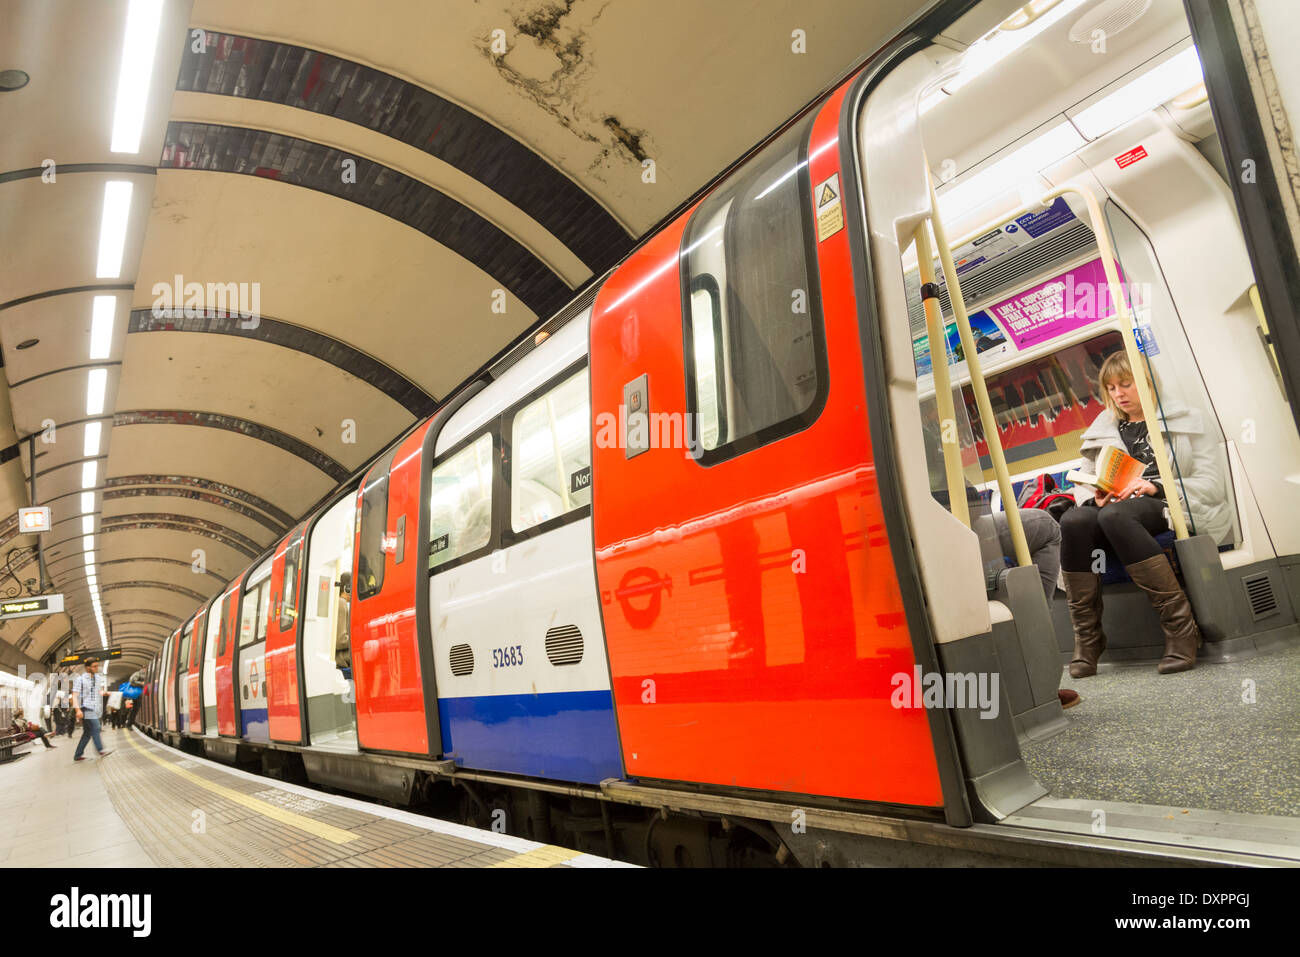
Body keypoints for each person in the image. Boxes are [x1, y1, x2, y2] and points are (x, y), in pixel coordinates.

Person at [1059, 352, 1231, 676]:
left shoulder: (1187, 421)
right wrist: (1094, 496)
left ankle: (1181, 628)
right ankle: (1088, 637)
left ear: (1148, 383)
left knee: (1116, 517)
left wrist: (1158, 487)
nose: (1118, 394)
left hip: (1170, 504)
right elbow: (1084, 480)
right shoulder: (1102, 431)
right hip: (1116, 508)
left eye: (1126, 384)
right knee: (1074, 520)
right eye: (1110, 388)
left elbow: (1211, 485)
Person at [70, 658, 112, 761]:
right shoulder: (80, 680)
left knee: (87, 733)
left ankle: (78, 755)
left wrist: (105, 693)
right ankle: (100, 750)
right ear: (87, 667)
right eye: (94, 666)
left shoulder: (98, 678)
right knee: (96, 726)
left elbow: (99, 691)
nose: (96, 668)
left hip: (95, 707)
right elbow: (74, 696)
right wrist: (77, 710)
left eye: (97, 666)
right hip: (85, 708)